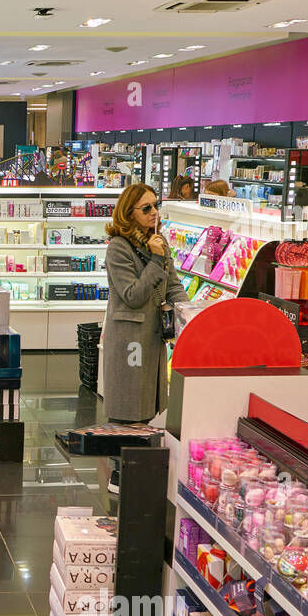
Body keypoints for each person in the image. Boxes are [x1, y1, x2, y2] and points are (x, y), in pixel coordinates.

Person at [101, 182, 188, 445]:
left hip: (152, 335)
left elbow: (172, 285)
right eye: (146, 208)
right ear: (129, 213)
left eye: (156, 206)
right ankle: (121, 468)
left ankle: (136, 465)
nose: (154, 212)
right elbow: (132, 295)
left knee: (146, 403)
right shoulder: (119, 247)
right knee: (129, 405)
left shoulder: (158, 243)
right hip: (130, 339)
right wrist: (154, 258)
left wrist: (189, 313)